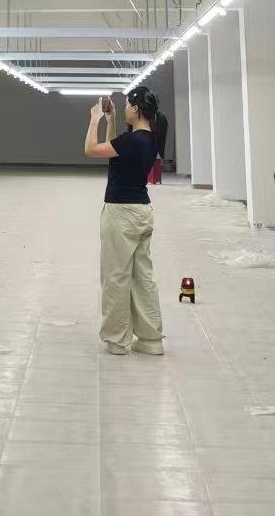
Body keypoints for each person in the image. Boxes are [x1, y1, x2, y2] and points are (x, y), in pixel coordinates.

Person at [84, 86, 166, 355]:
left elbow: (91, 150)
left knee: (116, 276)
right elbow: (114, 152)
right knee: (143, 277)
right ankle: (151, 340)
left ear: (137, 108)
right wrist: (111, 119)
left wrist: (95, 119)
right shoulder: (150, 139)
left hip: (121, 214)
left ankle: (118, 340)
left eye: (128, 104)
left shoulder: (132, 141)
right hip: (142, 211)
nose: (126, 108)